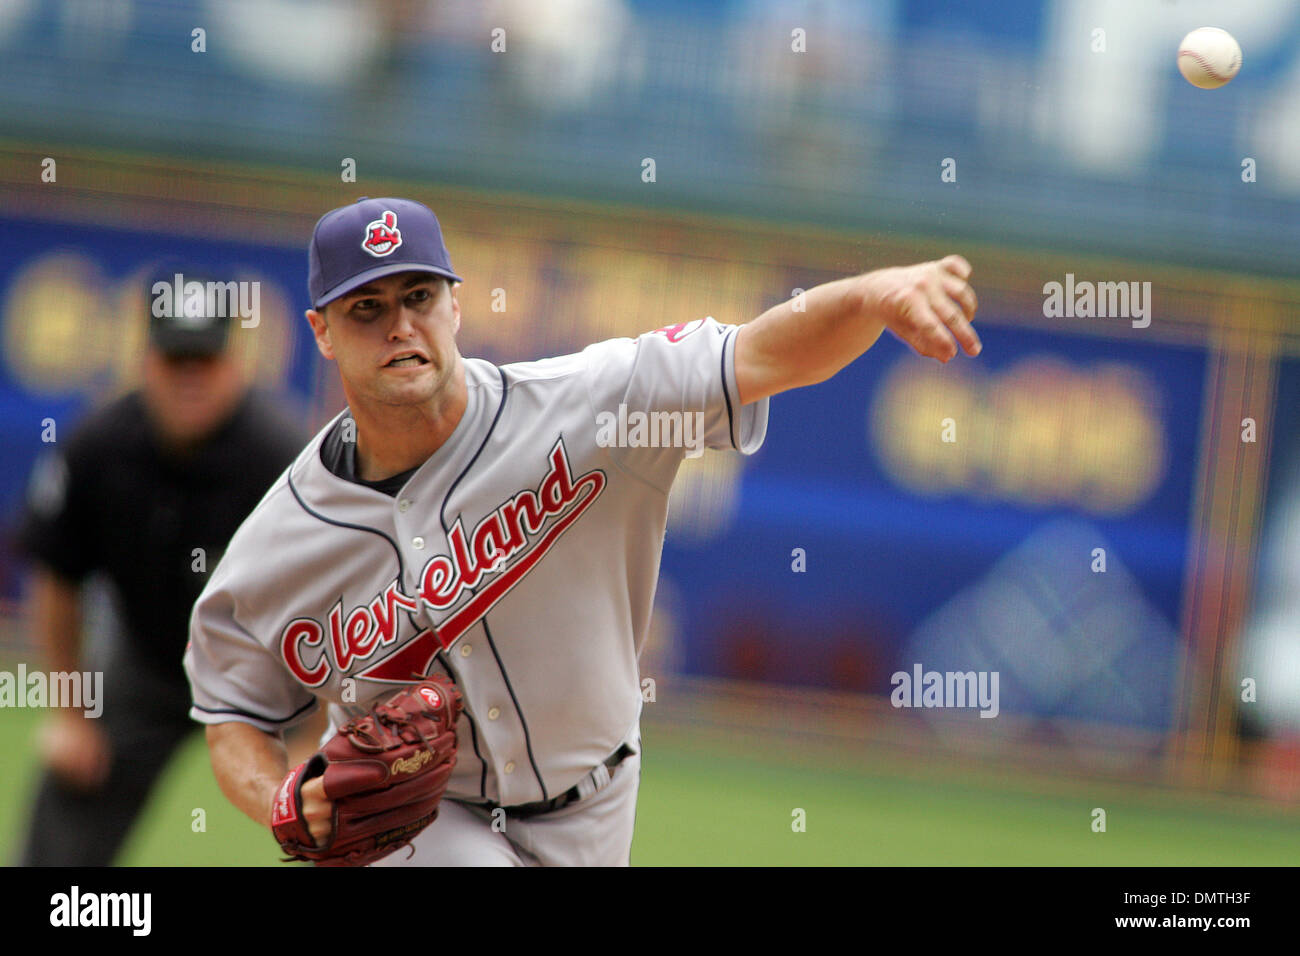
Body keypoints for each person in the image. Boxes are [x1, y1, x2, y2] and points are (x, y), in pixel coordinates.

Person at [184, 197, 980, 866]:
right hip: (423, 824)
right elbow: (234, 712)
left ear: (456, 306)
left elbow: (763, 354)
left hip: (600, 797)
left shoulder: (588, 405)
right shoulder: (279, 543)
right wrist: (283, 797)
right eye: (368, 308)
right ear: (322, 331)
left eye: (418, 296)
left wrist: (870, 295)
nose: (401, 326)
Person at [14, 271, 306, 866]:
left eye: (206, 361)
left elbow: (333, 597)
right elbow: (57, 579)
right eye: (176, 361)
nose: (190, 380)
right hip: (146, 664)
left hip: (266, 674)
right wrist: (71, 715)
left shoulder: (285, 458)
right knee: (65, 817)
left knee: (344, 808)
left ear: (235, 363)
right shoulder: (97, 444)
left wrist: (316, 727)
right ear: (145, 360)